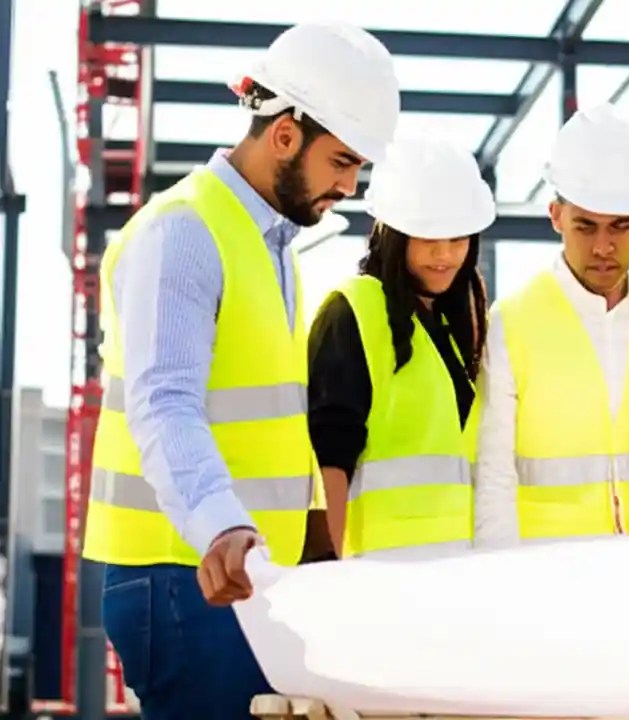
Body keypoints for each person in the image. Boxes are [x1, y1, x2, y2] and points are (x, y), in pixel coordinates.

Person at [82, 23, 399, 720]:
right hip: (184, 577)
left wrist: (314, 532)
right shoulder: (184, 231)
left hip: (241, 577)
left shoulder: (271, 245)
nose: (350, 185)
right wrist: (221, 526)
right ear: (285, 133)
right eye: (342, 161)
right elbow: (164, 401)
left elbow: (270, 417)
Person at [474, 103, 629, 546]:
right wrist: (499, 575)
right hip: (547, 568)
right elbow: (495, 472)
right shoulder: (512, 319)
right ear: (556, 217)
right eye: (585, 227)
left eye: (620, 227)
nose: (604, 246)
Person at [307, 134, 494, 560]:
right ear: (392, 232)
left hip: (449, 572)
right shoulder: (352, 312)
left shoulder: (450, 326)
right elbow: (330, 458)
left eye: (458, 238)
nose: (445, 255)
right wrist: (325, 573)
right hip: (375, 576)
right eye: (427, 237)